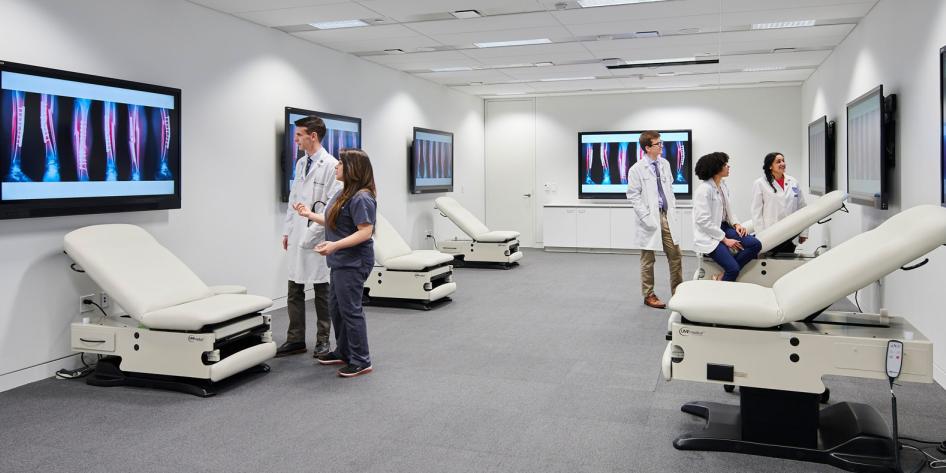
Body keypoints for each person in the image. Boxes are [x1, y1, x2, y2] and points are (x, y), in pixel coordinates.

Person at [296, 149, 377, 378]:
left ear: (352, 168)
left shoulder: (362, 197)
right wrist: (310, 215)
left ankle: (361, 360)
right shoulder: (344, 193)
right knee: (337, 309)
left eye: (340, 163)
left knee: (351, 311)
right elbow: (332, 220)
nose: (336, 166)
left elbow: (365, 232)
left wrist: (335, 245)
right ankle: (343, 351)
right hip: (340, 261)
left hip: (354, 261)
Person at [277, 116, 341, 358]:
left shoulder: (331, 165)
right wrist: (288, 231)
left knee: (322, 289)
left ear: (312, 136)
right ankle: (295, 339)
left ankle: (323, 340)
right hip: (297, 233)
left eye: (299, 135)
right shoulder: (301, 163)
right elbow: (295, 200)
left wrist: (309, 237)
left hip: (318, 235)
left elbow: (329, 209)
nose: (296, 140)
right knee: (294, 286)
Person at [626, 131, 683, 309]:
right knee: (648, 259)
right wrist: (646, 217)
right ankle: (648, 294)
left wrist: (671, 206)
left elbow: (669, 187)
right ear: (647, 148)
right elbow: (633, 195)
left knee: (675, 255)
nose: (661, 146)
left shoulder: (664, 164)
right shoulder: (636, 169)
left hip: (666, 215)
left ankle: (678, 292)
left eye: (661, 142)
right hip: (650, 217)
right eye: (658, 144)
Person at [692, 152, 761, 281]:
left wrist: (736, 224)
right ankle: (720, 289)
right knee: (733, 269)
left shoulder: (722, 185)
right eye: (725, 164)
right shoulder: (704, 190)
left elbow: (728, 210)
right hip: (709, 234)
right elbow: (703, 221)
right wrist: (725, 240)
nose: (728, 166)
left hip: (723, 227)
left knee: (755, 244)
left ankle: (723, 273)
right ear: (716, 168)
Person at [749, 152, 809, 253]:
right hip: (770, 234)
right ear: (770, 166)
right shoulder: (760, 183)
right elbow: (756, 212)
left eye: (783, 161)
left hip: (791, 233)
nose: (782, 163)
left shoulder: (793, 181)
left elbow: (802, 207)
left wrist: (804, 232)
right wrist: (761, 236)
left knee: (786, 263)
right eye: (778, 161)